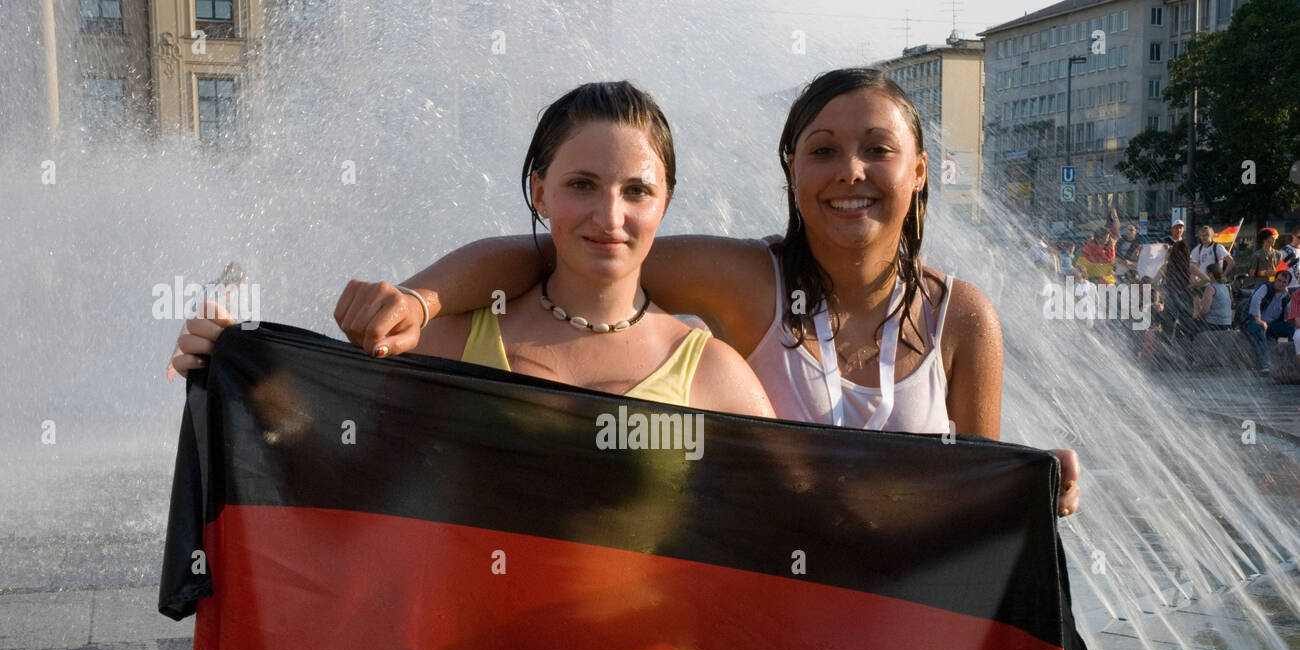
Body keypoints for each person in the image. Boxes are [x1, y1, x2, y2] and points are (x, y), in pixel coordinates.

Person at [332, 68, 1084, 518]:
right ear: (792, 170)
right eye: (823, 150)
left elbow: (980, 494)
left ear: (919, 170)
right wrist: (420, 301)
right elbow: (561, 256)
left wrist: (1037, 481)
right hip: (774, 609)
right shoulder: (746, 280)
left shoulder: (963, 318)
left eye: (879, 150)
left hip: (893, 606)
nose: (851, 171)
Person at [170, 81, 775, 423]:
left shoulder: (715, 375)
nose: (609, 216)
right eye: (582, 185)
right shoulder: (452, 339)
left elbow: (792, 530)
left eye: (637, 191)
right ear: (541, 192)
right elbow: (328, 445)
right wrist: (235, 367)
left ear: (665, 203)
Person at [1246, 266, 1296, 374]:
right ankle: (1264, 365)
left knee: (1292, 329)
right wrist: (1258, 319)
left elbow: (1290, 313)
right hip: (1253, 321)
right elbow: (1256, 299)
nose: (1281, 284)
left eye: (1284, 282)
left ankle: (1294, 360)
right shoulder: (1266, 288)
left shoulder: (1286, 297)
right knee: (1259, 329)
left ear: (1287, 284)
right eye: (1279, 280)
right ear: (1275, 279)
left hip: (1271, 325)